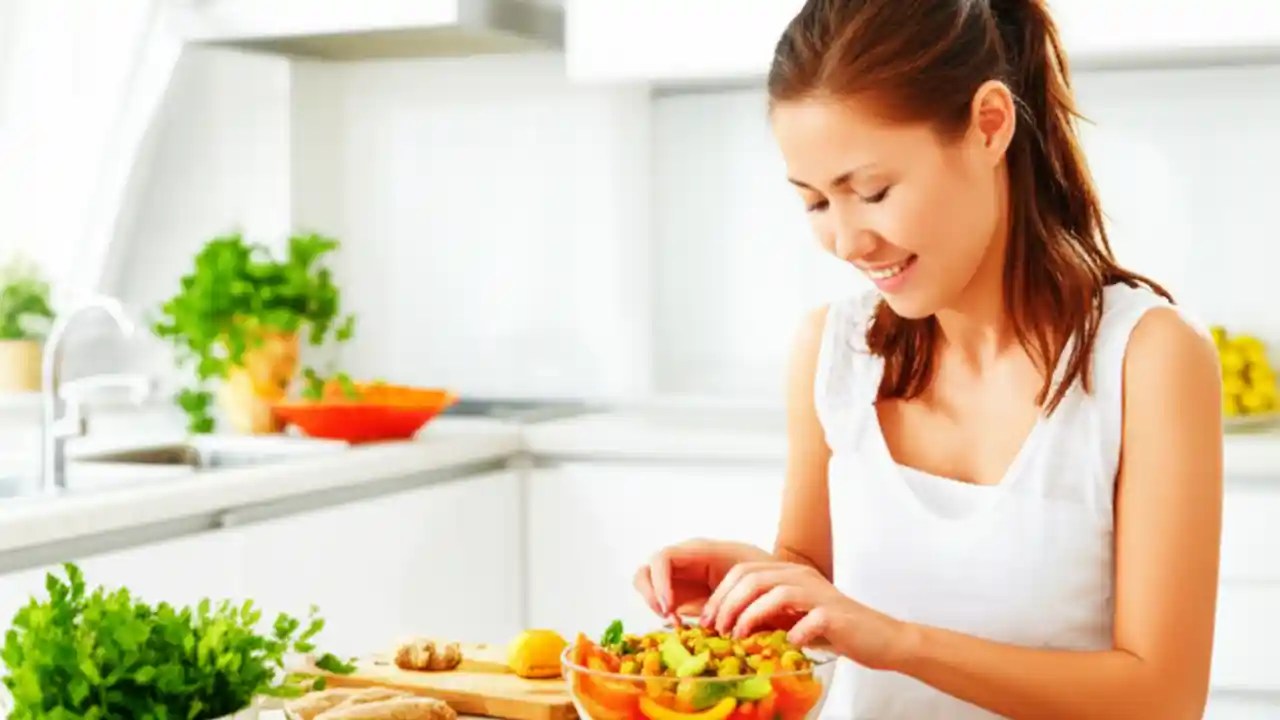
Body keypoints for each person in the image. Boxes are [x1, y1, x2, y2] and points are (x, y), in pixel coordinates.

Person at [633, 0, 1224, 717]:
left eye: (873, 192)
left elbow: (1163, 698)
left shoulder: (1148, 358)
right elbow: (816, 590)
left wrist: (898, 641)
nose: (848, 242)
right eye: (816, 203)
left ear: (988, 125)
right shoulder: (833, 351)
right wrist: (763, 582)